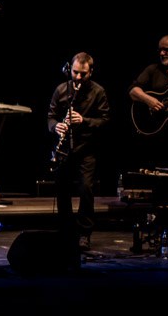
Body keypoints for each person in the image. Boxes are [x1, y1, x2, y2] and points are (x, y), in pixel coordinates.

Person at [47, 52, 110, 252]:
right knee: (62, 191)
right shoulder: (61, 89)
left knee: (86, 189)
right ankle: (65, 231)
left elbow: (105, 121)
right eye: (75, 73)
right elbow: (50, 116)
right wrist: (56, 126)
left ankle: (84, 234)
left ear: (91, 72)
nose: (78, 78)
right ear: (70, 70)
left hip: (87, 149)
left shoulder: (99, 92)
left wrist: (84, 121)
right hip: (65, 149)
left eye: (83, 74)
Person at [127, 35, 168, 167]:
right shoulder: (153, 69)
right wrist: (149, 100)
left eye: (166, 50)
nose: (162, 53)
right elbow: (132, 90)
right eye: (160, 50)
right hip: (156, 136)